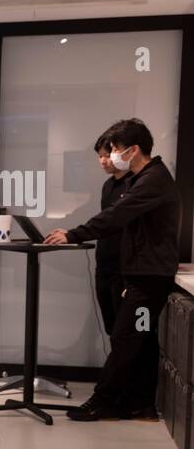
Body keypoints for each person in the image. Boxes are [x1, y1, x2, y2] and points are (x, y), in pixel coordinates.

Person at [44, 119, 180, 421]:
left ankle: (102, 401)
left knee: (126, 339)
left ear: (132, 150)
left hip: (148, 280)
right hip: (141, 276)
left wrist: (73, 233)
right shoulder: (139, 179)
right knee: (139, 341)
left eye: (115, 150)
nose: (110, 156)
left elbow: (116, 216)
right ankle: (138, 404)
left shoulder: (152, 179)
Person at [84, 131, 130, 333]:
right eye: (99, 156)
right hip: (104, 265)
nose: (102, 161)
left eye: (106, 155)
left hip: (124, 268)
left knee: (128, 330)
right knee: (111, 327)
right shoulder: (108, 185)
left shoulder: (135, 184)